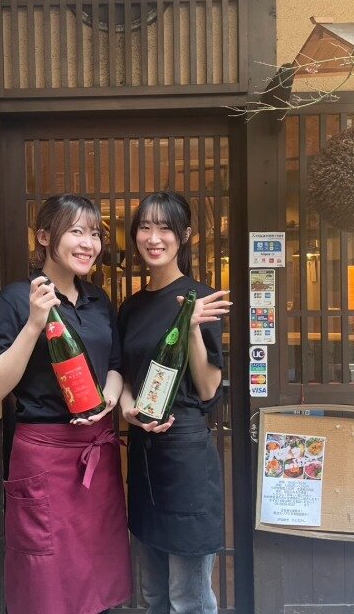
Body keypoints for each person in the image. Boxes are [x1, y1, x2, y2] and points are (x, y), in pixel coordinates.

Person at [0, 194, 132, 614]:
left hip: (97, 453)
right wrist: (34, 323)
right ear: (45, 237)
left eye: (95, 234)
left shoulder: (98, 299)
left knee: (96, 575)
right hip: (44, 458)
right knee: (45, 578)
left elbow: (115, 366)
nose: (89, 243)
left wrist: (108, 399)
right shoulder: (15, 299)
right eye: (76, 231)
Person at [117, 191, 231, 614]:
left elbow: (208, 390)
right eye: (145, 227)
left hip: (185, 455)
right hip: (144, 452)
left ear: (184, 235)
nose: (154, 237)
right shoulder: (131, 308)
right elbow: (124, 375)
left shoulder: (201, 298)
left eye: (165, 228)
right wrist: (126, 408)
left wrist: (193, 327)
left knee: (189, 598)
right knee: (153, 596)